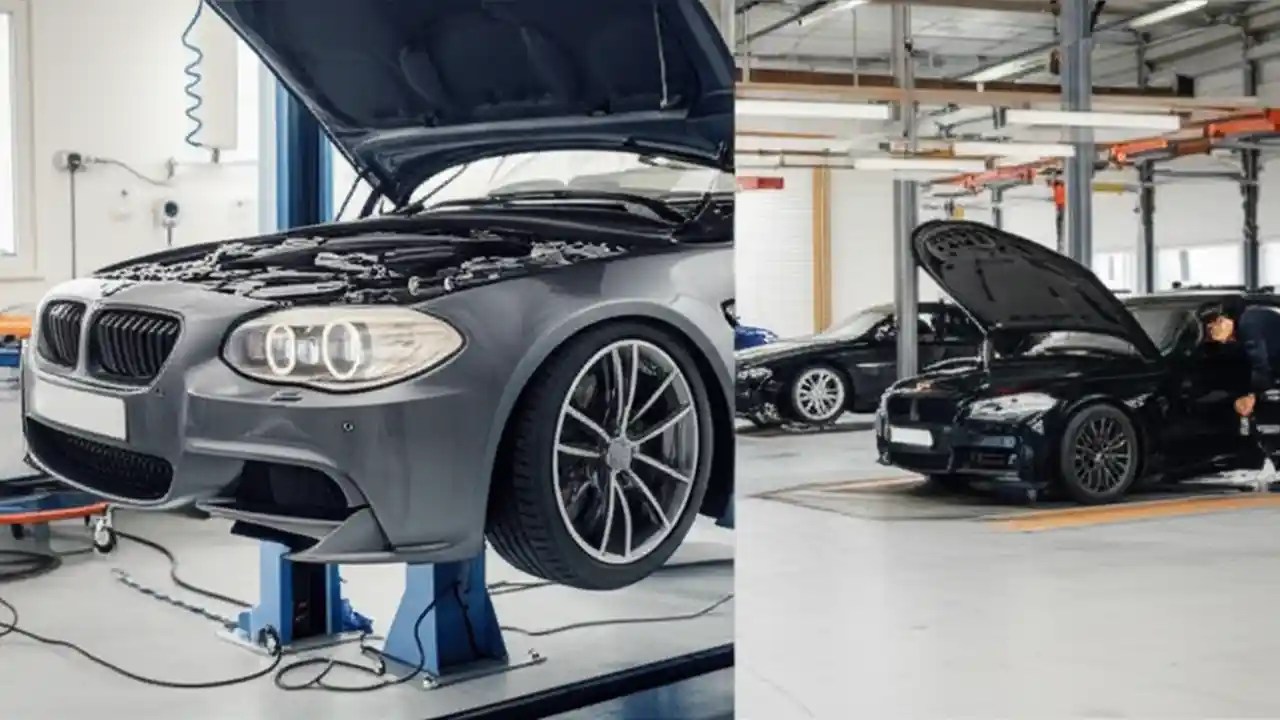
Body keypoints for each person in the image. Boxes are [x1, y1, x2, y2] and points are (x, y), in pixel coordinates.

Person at [1205, 298, 1280, 488]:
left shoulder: (1249, 324)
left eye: (1212, 329)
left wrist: (1253, 395)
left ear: (1223, 320)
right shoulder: (1247, 321)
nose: (1214, 336)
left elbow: (1261, 362)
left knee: (1269, 415)